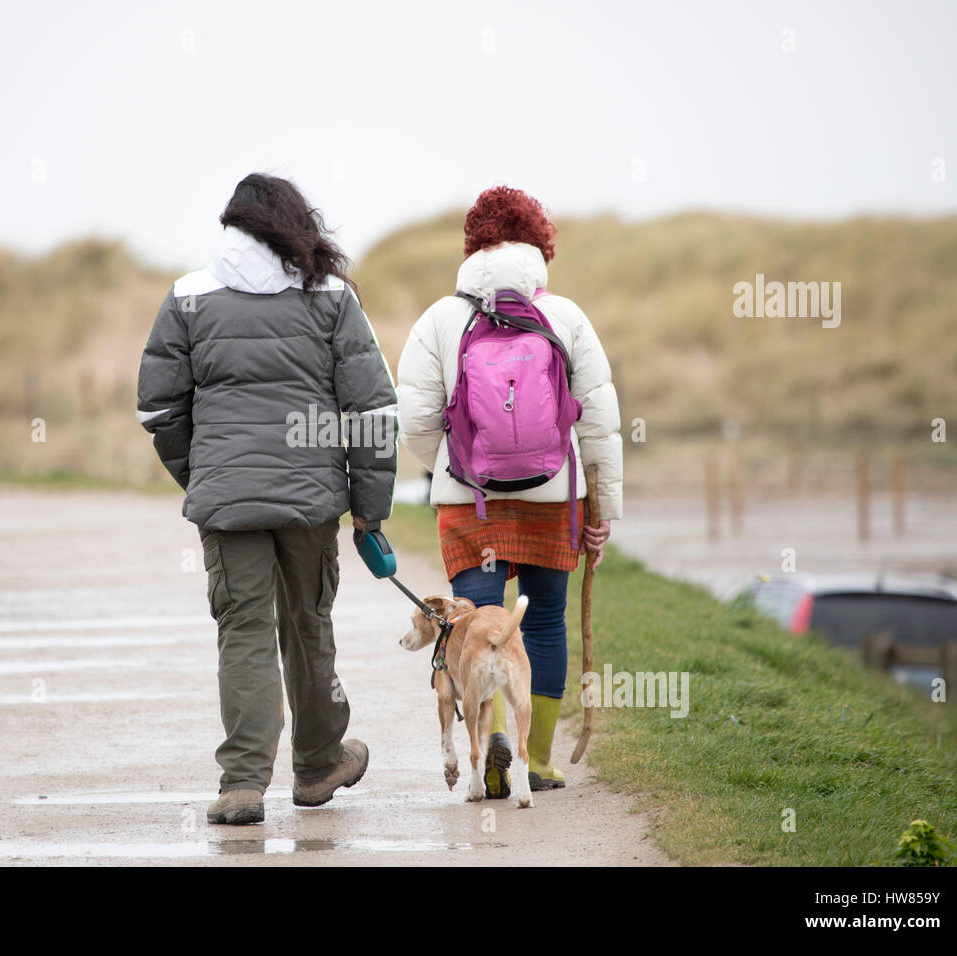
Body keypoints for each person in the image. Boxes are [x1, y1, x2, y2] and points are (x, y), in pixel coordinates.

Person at [137, 173, 398, 825]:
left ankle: (241, 785)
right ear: (291, 224)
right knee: (308, 625)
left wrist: (204, 474)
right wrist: (370, 503)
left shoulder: (189, 296)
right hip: (310, 499)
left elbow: (158, 406)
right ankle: (318, 765)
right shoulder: (331, 296)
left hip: (227, 500)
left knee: (243, 631)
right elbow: (370, 409)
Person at [395, 186, 622, 796]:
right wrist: (604, 511)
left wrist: (452, 465)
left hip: (471, 503)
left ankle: (487, 752)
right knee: (544, 621)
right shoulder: (565, 315)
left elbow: (414, 418)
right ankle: (537, 761)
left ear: (473, 245)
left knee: (474, 626)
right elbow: (598, 418)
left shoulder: (440, 319)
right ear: (539, 245)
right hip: (554, 501)